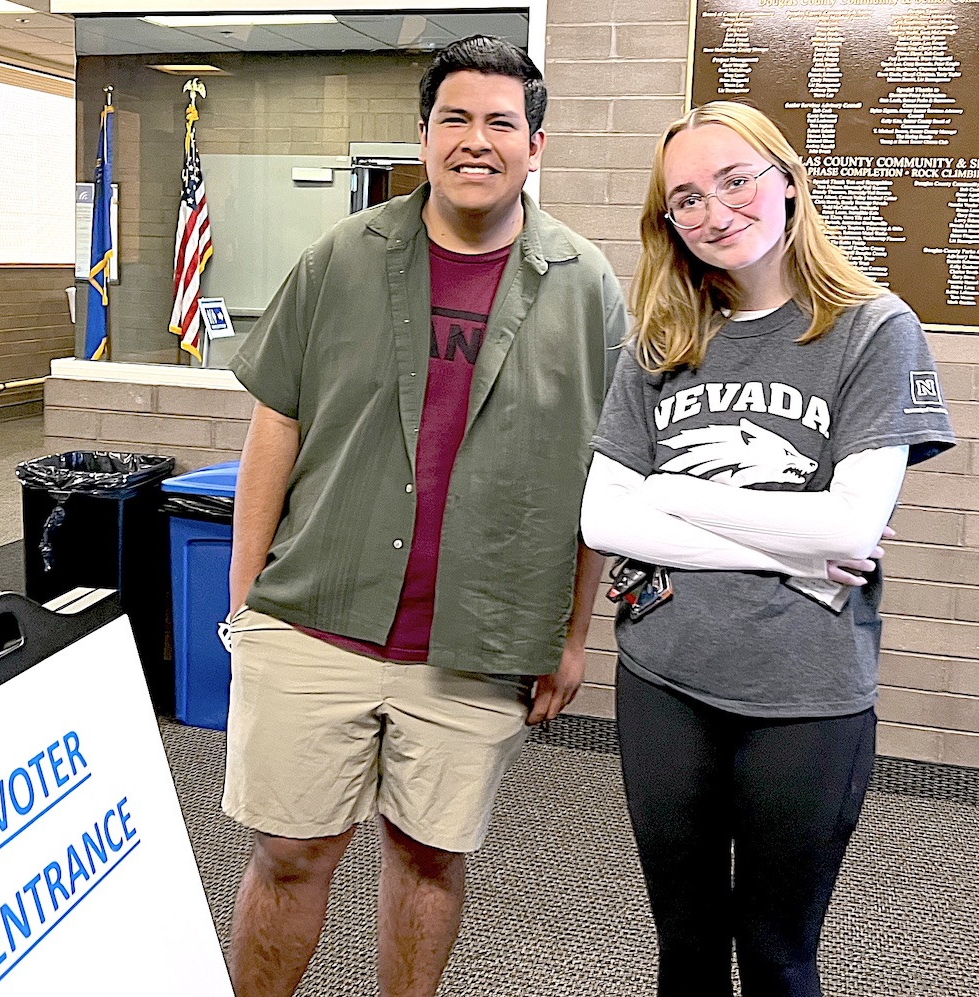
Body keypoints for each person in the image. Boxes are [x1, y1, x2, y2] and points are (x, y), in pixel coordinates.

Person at [222, 35, 626, 997]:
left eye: (500, 122)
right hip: (315, 616)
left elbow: (598, 480)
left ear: (536, 145)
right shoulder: (340, 259)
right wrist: (247, 602)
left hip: (479, 639)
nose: (476, 140)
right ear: (423, 134)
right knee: (289, 852)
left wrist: (573, 635)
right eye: (455, 119)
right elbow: (274, 429)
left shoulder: (586, 285)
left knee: (430, 858)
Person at [580, 100, 955, 996]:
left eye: (736, 180)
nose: (715, 211)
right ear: (668, 221)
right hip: (664, 677)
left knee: (779, 953)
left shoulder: (874, 328)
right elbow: (602, 520)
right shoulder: (657, 341)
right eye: (687, 199)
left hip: (807, 692)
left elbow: (848, 529)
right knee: (686, 948)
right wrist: (789, 546)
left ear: (788, 181)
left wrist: (669, 492)